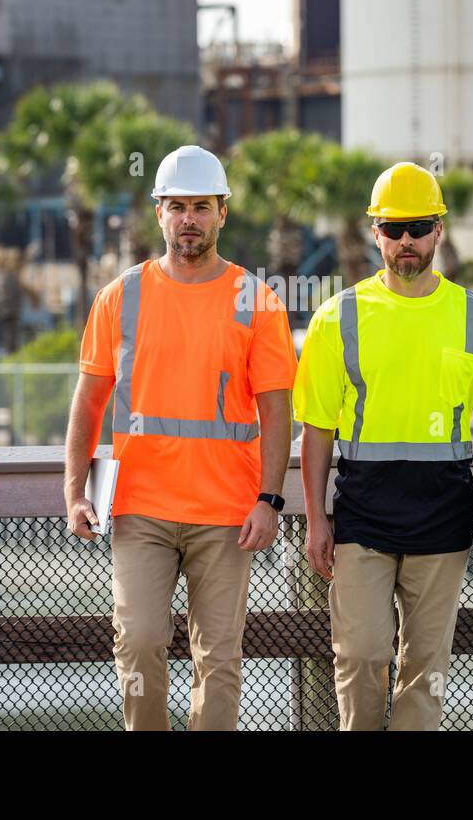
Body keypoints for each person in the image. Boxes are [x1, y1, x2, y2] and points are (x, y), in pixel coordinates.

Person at [64, 144, 298, 731]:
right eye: (176, 207)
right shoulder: (121, 296)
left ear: (223, 212)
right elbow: (89, 400)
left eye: (200, 206)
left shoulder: (257, 300)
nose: (188, 218)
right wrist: (74, 491)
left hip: (227, 514)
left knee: (218, 659)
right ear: (159, 213)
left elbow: (277, 411)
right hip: (140, 508)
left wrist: (270, 500)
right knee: (140, 642)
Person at [293, 161, 473, 731]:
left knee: (426, 670)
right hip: (362, 516)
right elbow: (316, 429)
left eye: (418, 227)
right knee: (361, 655)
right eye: (393, 229)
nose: (406, 242)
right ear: (375, 233)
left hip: (443, 518)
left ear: (439, 230)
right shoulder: (337, 318)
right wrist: (316, 521)